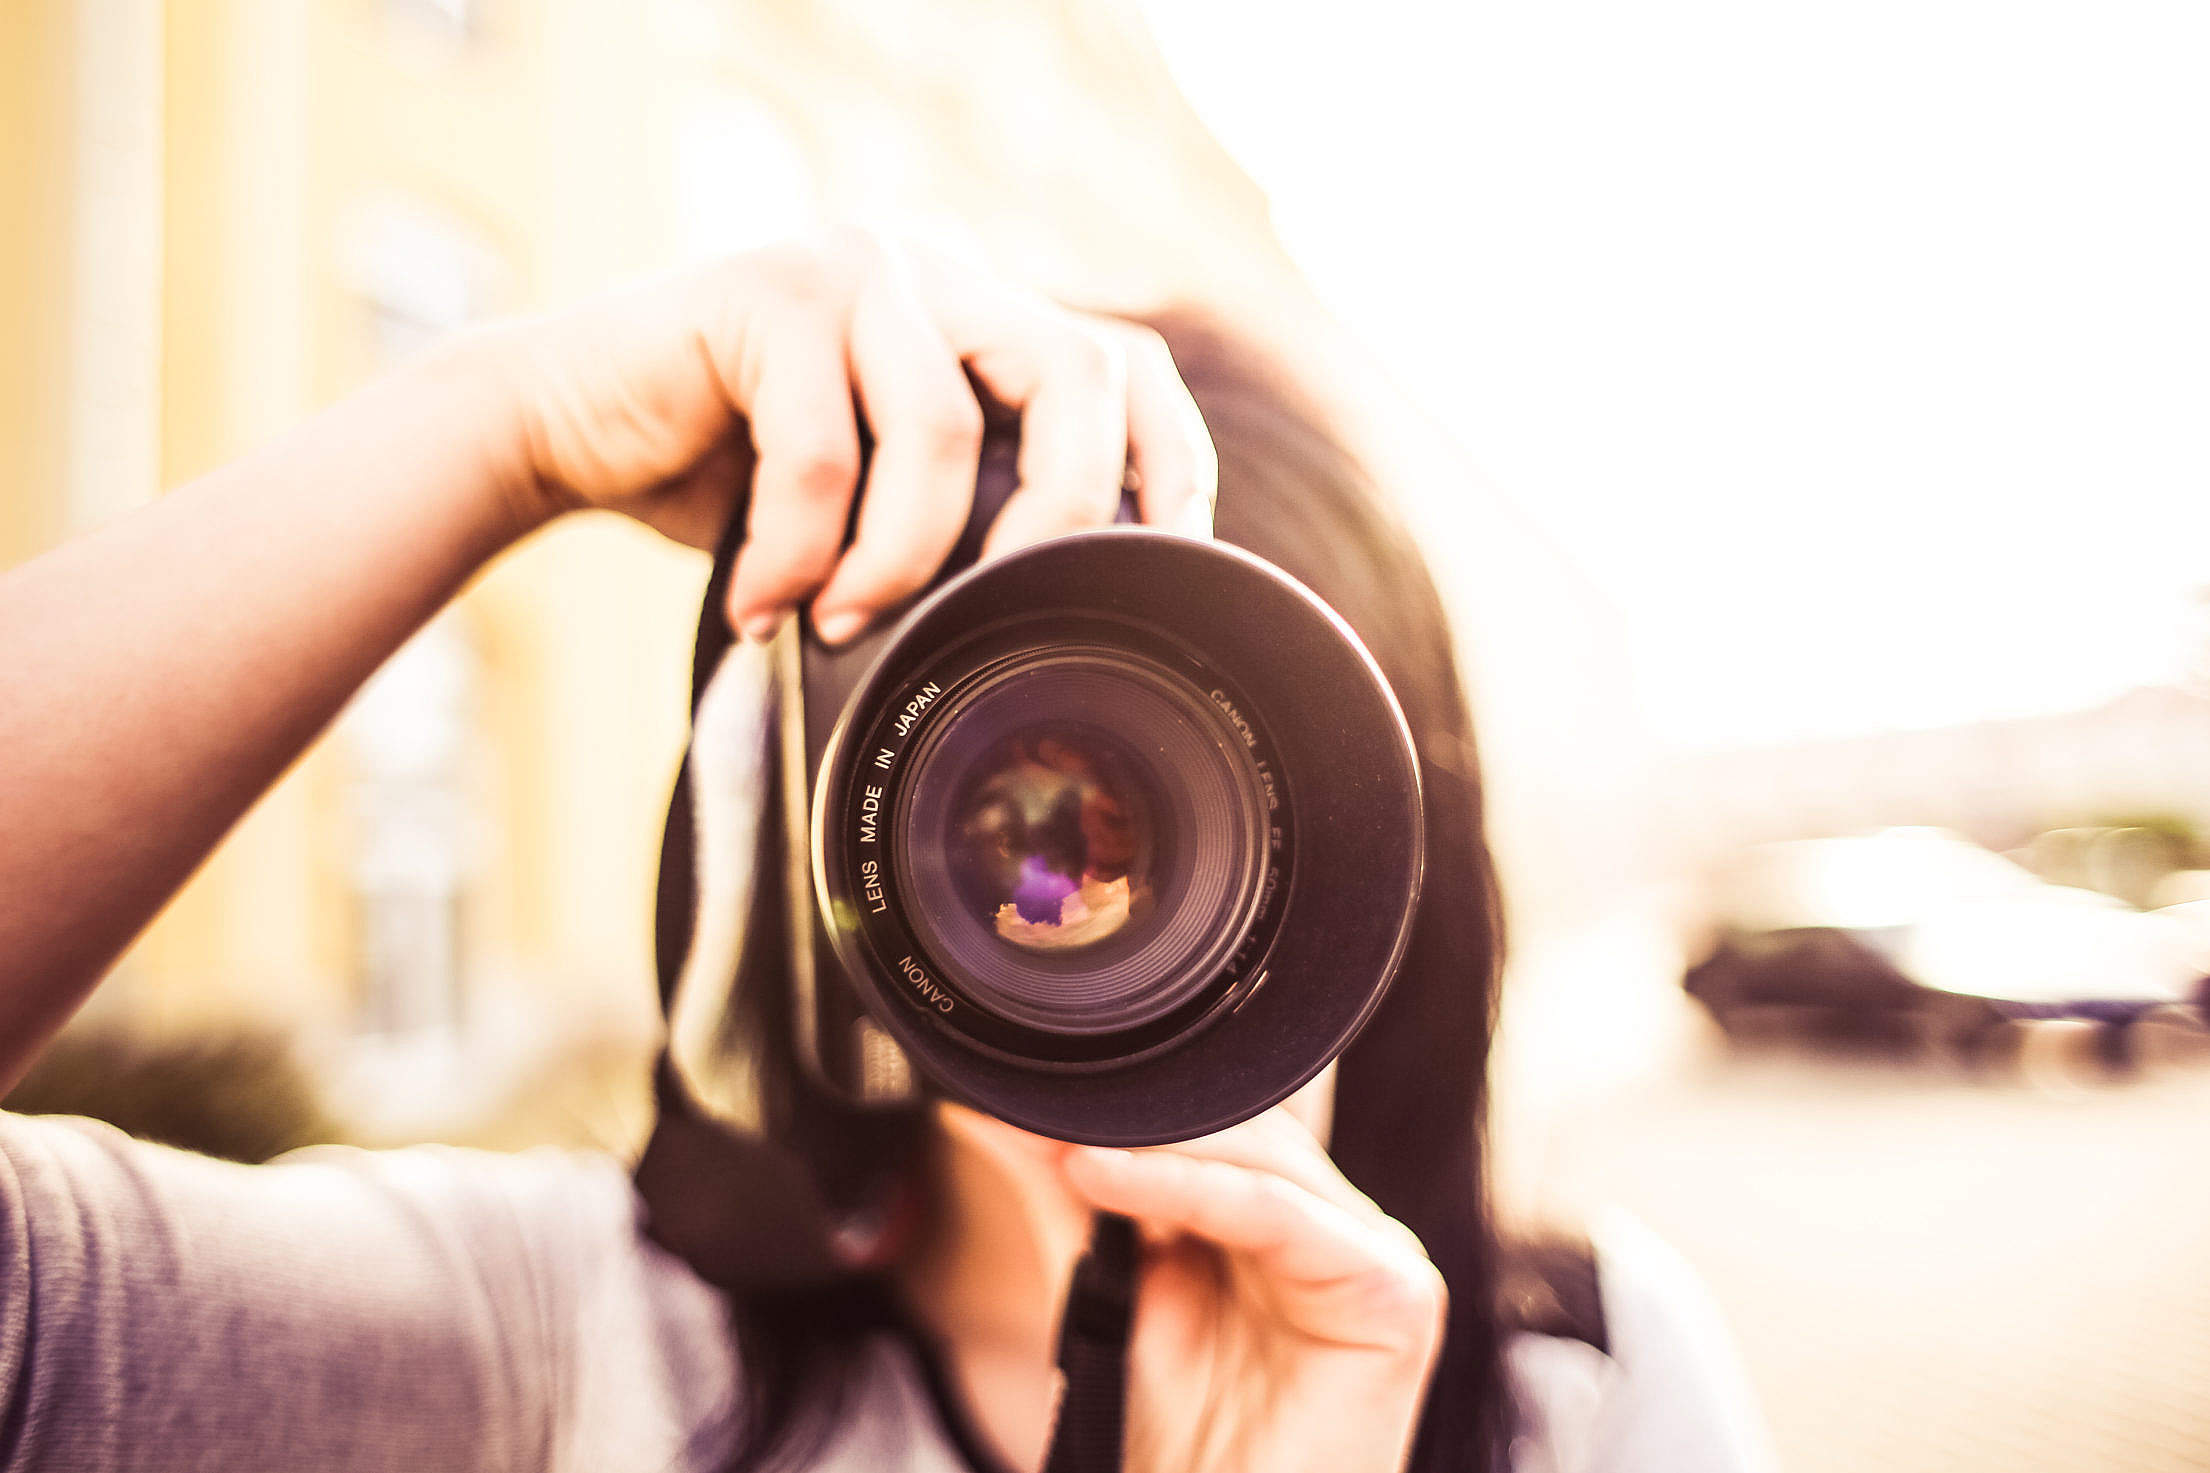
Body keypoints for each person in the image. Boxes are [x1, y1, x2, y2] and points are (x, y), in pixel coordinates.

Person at [0, 232, 1771, 1473]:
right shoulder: (560, 1339)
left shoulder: (1581, 1380)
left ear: (1384, 862)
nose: (1066, 869)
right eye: (1000, 769)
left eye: (1189, 788)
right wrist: (506, 425)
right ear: (800, 807)